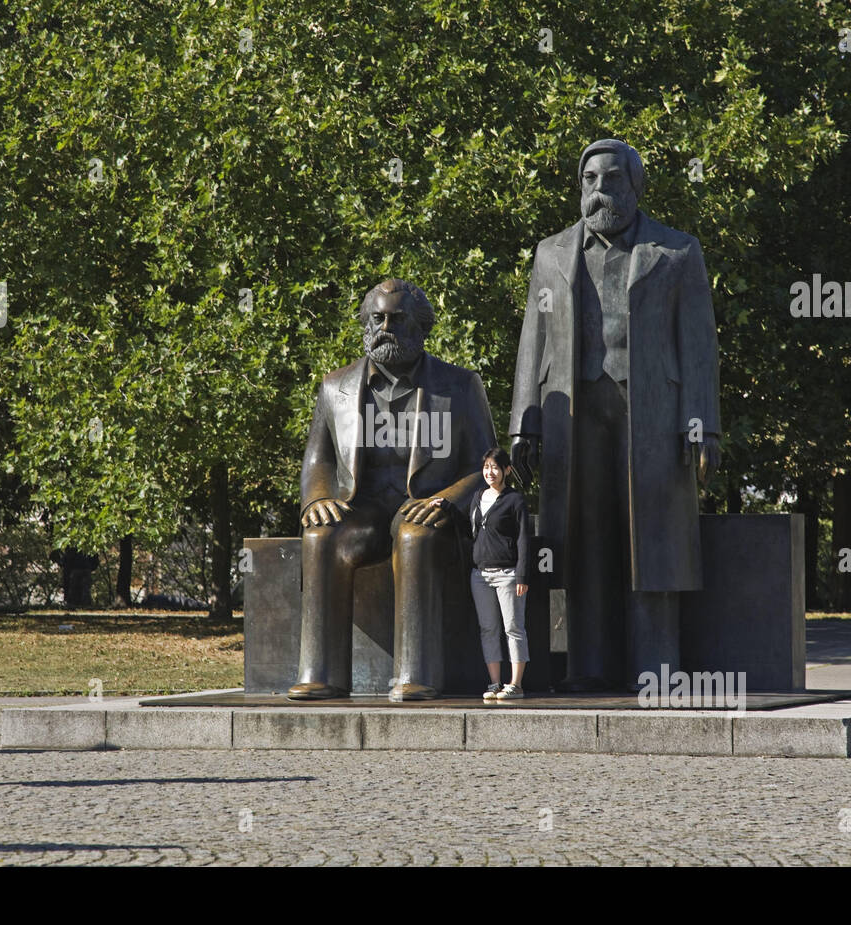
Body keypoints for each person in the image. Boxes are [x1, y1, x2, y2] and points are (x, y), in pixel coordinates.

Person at [509, 138, 720, 691]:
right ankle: (589, 666)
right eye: (591, 181)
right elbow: (532, 341)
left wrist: (704, 425)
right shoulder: (550, 253)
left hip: (652, 409)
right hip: (571, 413)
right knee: (584, 539)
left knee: (652, 540)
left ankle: (657, 667)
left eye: (613, 180)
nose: (601, 191)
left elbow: (698, 345)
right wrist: (522, 423)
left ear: (636, 187)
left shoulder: (676, 251)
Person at [292, 278, 496, 702]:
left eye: (397, 319)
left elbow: (485, 465)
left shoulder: (459, 385)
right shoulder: (335, 387)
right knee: (320, 537)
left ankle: (415, 675)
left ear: (421, 327)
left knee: (413, 535)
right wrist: (317, 498)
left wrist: (449, 500)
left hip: (423, 506)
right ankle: (320, 674)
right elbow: (319, 460)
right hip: (360, 507)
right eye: (377, 318)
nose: (385, 327)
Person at [434, 447, 531, 700]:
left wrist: (522, 575)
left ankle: (516, 685)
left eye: (495, 467)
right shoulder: (477, 496)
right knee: (488, 629)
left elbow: (523, 540)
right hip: (480, 575)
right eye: (487, 467)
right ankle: (495, 683)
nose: (490, 472)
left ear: (506, 470)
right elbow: (471, 531)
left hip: (508, 574)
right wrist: (448, 507)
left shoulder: (515, 500)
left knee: (513, 628)